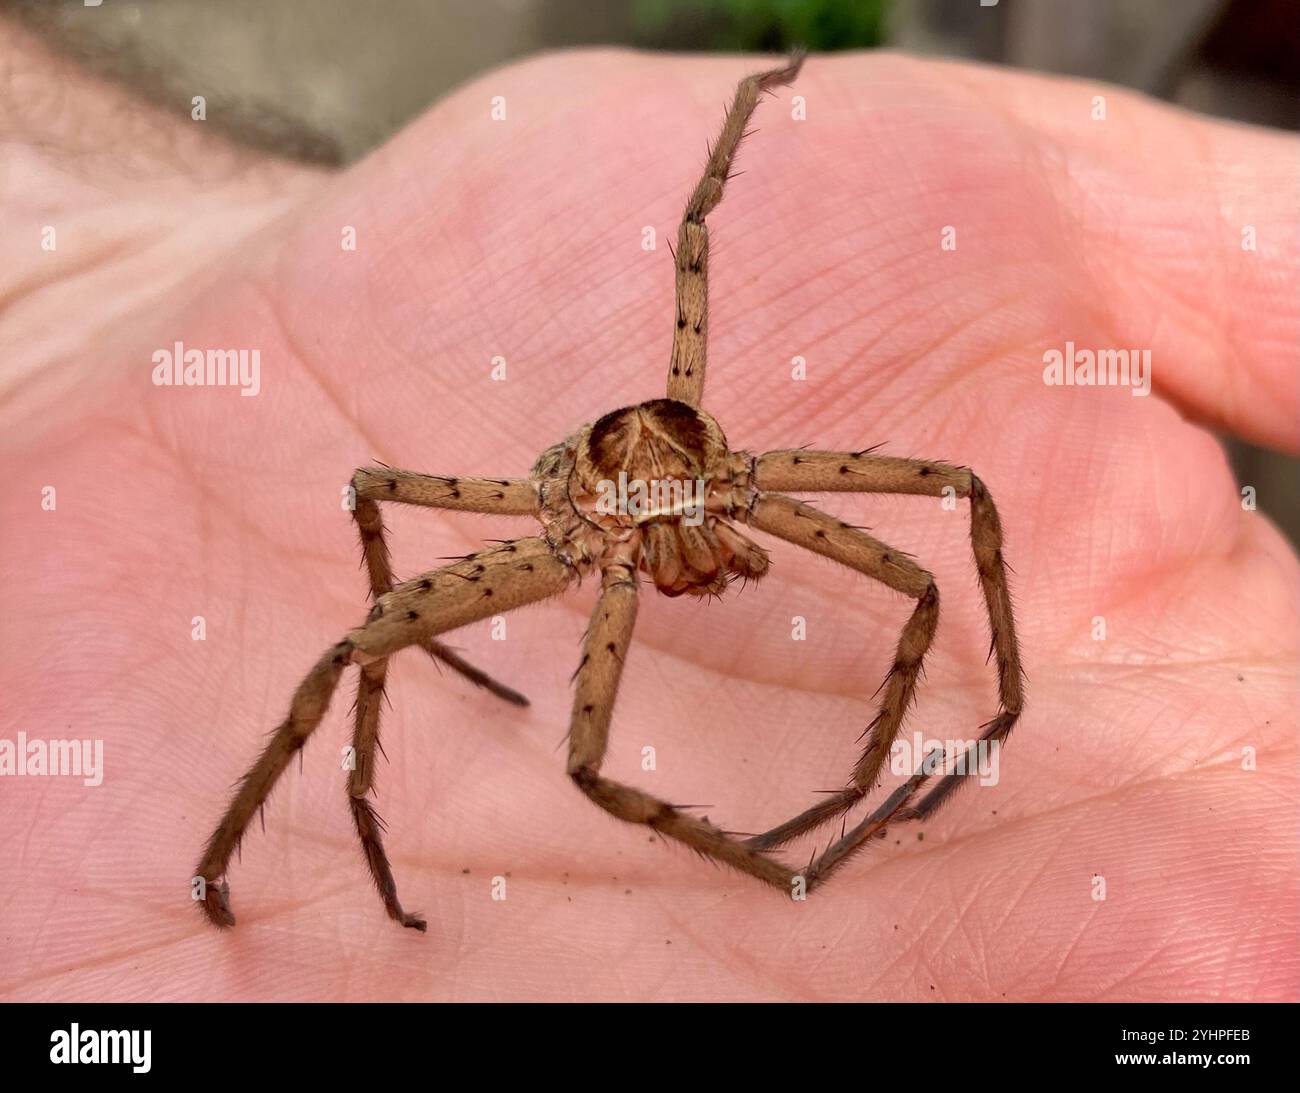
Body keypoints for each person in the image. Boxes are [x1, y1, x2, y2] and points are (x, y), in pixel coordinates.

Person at [2, 25, 1296, 1001]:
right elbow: (380, 499)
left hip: (700, 463)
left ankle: (877, 774)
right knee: (377, 648)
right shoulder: (578, 544)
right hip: (576, 507)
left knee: (935, 533)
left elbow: (698, 225)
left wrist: (756, 97)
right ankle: (309, 830)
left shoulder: (732, 479)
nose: (696, 566)